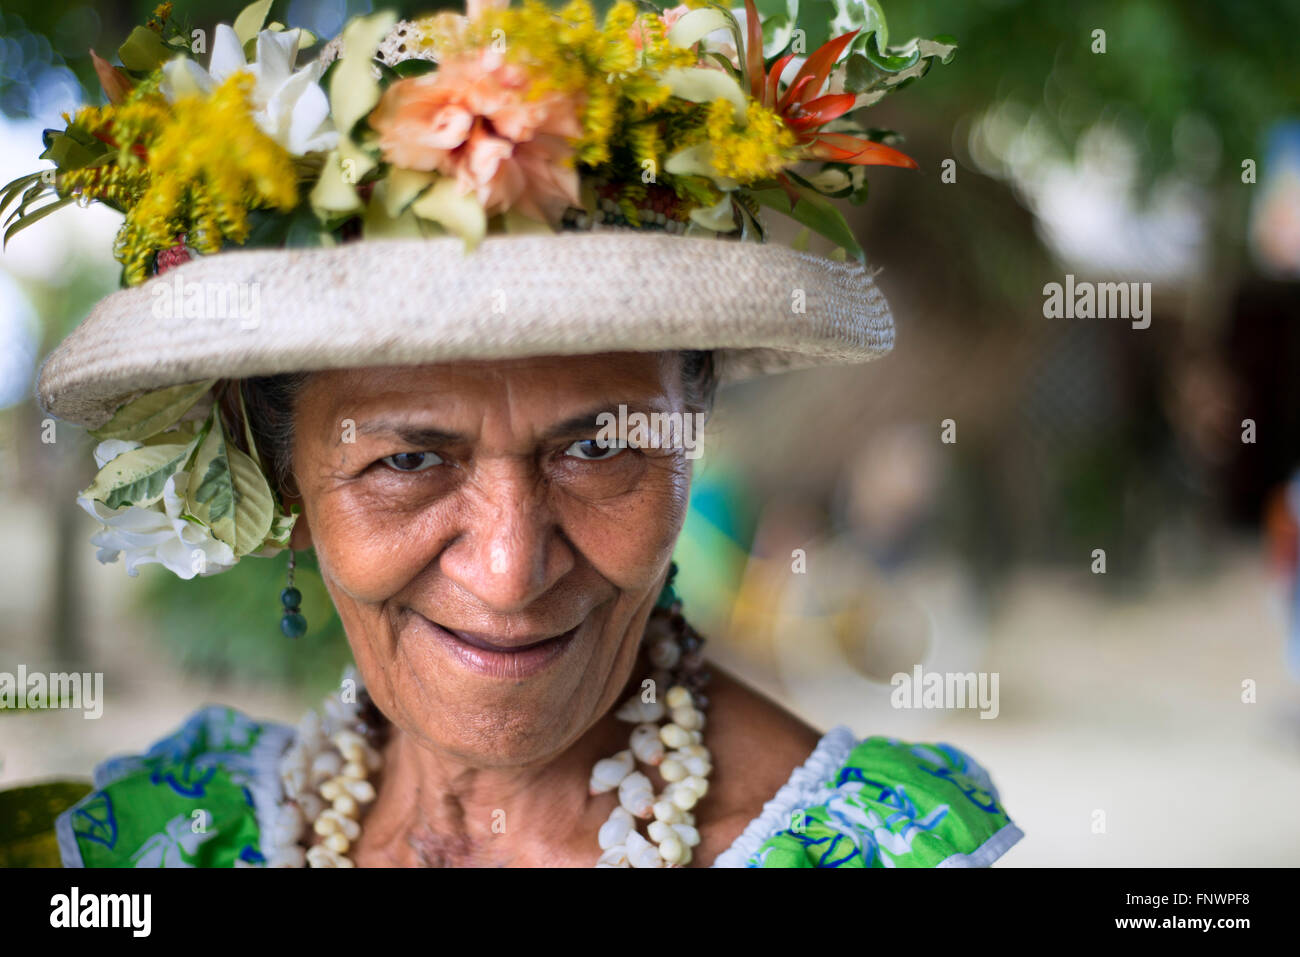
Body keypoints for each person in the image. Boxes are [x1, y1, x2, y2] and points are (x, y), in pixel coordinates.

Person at [12, 0, 1021, 867]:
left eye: (599, 447)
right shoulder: (158, 840)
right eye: (406, 460)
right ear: (282, 485)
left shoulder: (867, 848)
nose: (508, 572)